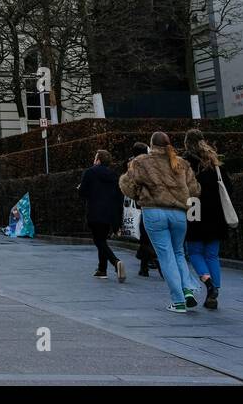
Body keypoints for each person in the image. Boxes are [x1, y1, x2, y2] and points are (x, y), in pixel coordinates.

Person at [119, 131, 201, 313]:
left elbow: (127, 186)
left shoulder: (140, 162)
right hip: (179, 213)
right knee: (179, 252)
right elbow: (195, 190)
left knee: (165, 255)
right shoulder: (182, 163)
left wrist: (140, 194)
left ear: (151, 144)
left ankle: (178, 301)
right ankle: (187, 290)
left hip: (154, 211)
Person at [184, 129, 235, 311]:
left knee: (195, 251)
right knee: (212, 254)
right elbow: (228, 187)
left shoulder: (186, 162)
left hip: (195, 207)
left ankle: (208, 284)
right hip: (216, 211)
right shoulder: (215, 162)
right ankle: (215, 291)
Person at [78, 149, 125, 280]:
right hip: (110, 213)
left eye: (95, 158)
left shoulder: (90, 172)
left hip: (95, 211)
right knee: (102, 239)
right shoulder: (114, 175)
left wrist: (80, 188)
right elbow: (118, 197)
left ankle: (116, 262)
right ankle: (102, 269)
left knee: (98, 240)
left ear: (98, 160)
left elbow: (82, 192)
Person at [130, 143, 160, 277]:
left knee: (145, 236)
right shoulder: (153, 164)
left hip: (144, 205)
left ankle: (153, 259)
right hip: (158, 204)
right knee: (148, 236)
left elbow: (130, 185)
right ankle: (144, 267)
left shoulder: (134, 165)